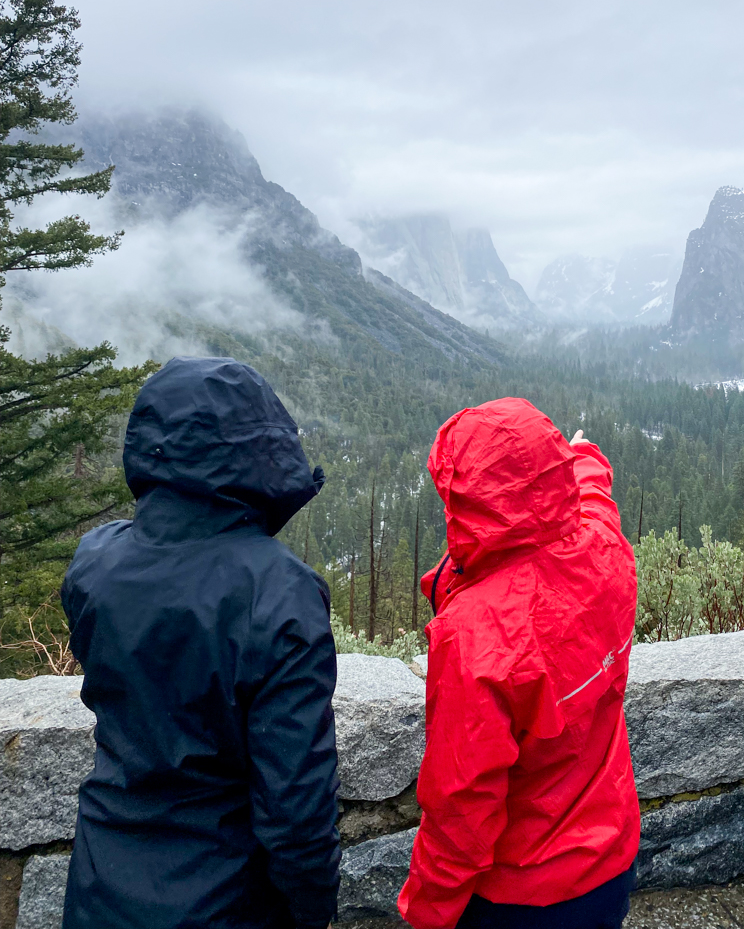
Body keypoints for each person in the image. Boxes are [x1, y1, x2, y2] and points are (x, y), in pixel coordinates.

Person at [61, 356, 340, 929]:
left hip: (99, 886)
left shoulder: (95, 561)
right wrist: (313, 911)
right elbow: (295, 809)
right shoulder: (280, 591)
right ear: (262, 448)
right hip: (223, 902)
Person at [398, 397, 640, 929]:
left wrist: (427, 914)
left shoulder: (476, 637)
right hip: (611, 856)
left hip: (524, 893)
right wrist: (582, 454)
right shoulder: (607, 549)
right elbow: (595, 494)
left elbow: (462, 809)